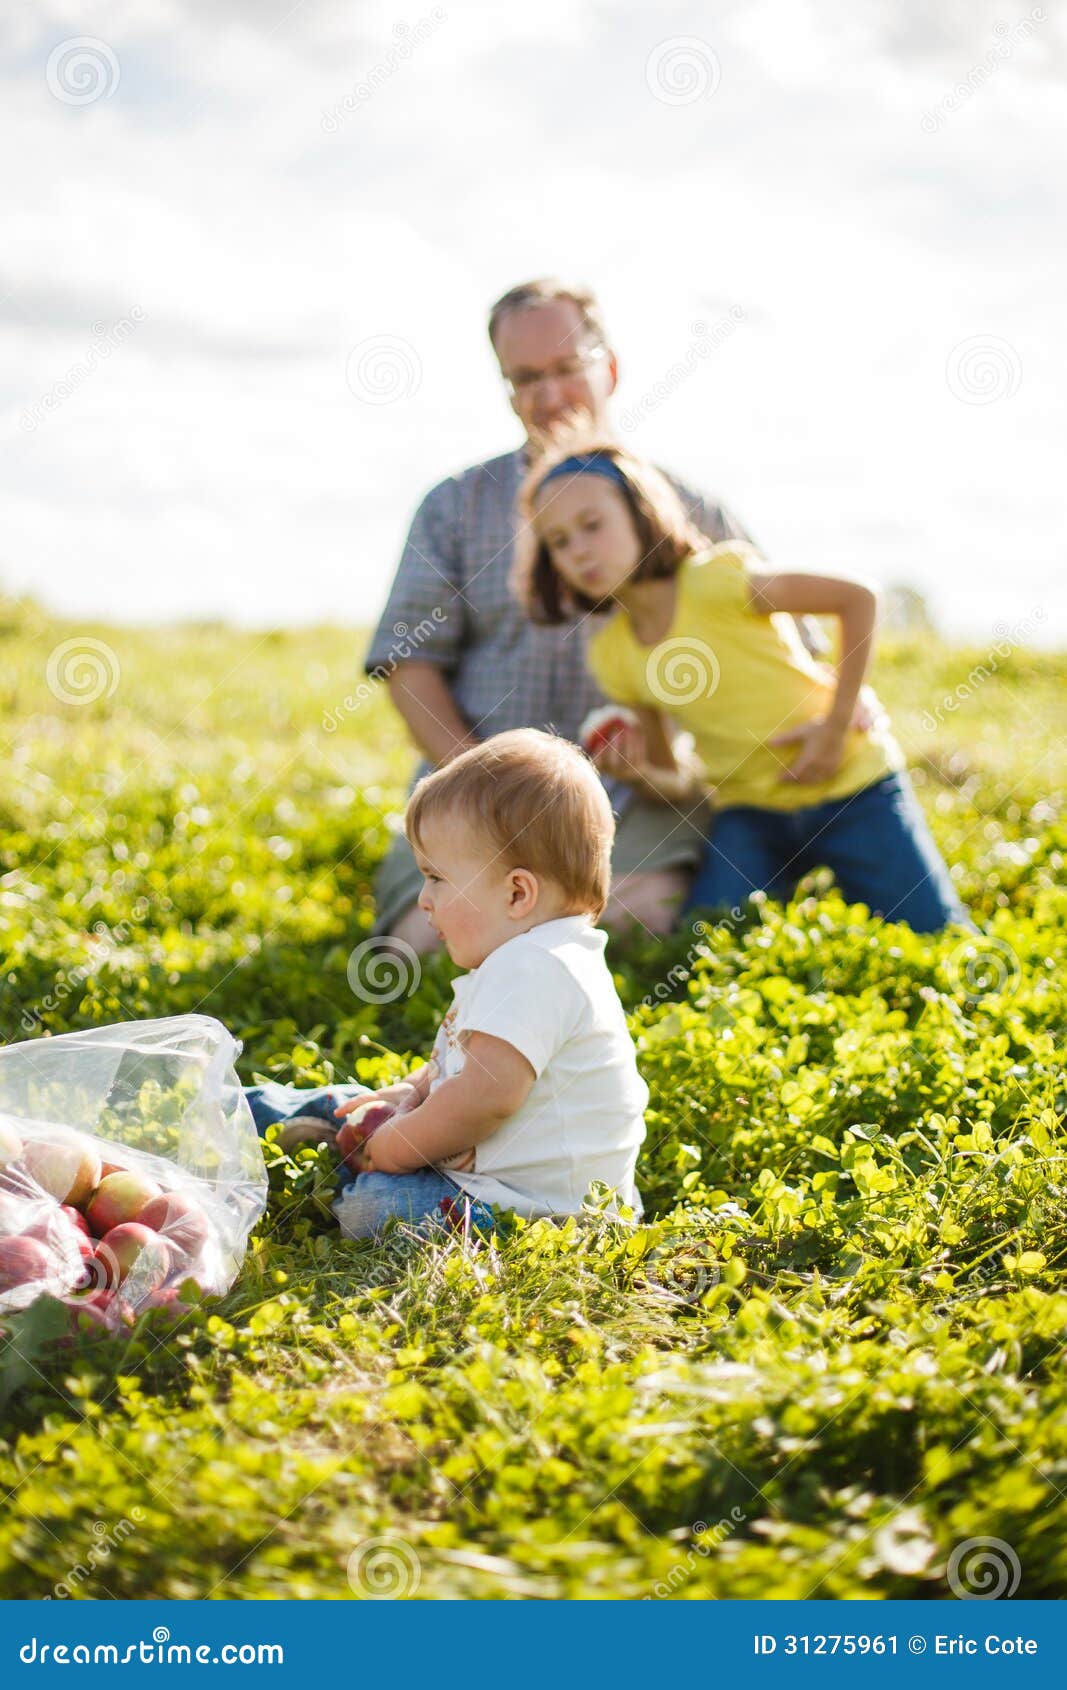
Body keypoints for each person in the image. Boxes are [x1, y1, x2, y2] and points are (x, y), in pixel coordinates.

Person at [363, 277, 762, 950]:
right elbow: (409, 667)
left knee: (631, 921)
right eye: (525, 379)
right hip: (474, 793)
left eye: (566, 369)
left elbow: (779, 649)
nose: (549, 397)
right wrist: (487, 789)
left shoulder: (691, 508)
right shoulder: (453, 506)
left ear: (610, 369)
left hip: (639, 799)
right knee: (421, 946)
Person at [512, 430, 969, 933]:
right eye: (559, 542)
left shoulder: (717, 579)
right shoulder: (612, 655)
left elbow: (858, 599)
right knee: (702, 940)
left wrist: (836, 725)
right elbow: (674, 779)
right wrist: (640, 775)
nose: (579, 551)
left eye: (592, 525)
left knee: (938, 936)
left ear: (640, 512)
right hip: (751, 816)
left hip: (854, 789)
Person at [248, 730, 650, 1238]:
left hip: (536, 1213)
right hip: (487, 1184)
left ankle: (307, 1150)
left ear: (517, 893)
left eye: (436, 877)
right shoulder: (531, 957)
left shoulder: (537, 968)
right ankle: (268, 1119)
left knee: (376, 1204)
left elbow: (486, 1097)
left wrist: (395, 1147)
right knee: (357, 1106)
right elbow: (465, 1065)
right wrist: (414, 1093)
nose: (423, 899)